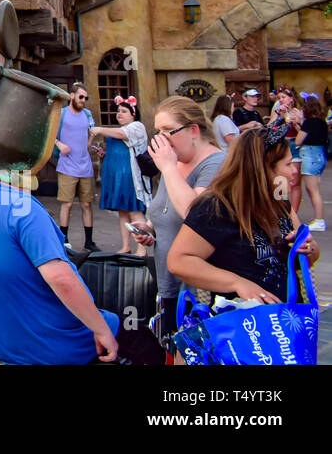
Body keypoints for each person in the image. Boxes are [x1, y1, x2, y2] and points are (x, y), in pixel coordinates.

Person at [0, 166, 119, 364]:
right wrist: (101, 329)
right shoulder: (22, 209)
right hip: (47, 346)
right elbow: (61, 279)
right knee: (131, 333)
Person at [168, 124, 320, 303]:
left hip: (287, 318)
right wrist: (237, 283)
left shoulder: (278, 199)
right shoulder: (216, 207)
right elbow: (179, 261)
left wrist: (308, 248)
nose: (294, 171)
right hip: (243, 322)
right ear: (263, 169)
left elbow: (310, 257)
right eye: (288, 164)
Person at [130, 96, 225, 349]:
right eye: (157, 131)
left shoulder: (216, 163)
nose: (161, 140)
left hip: (199, 289)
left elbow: (195, 215)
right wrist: (149, 228)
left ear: (194, 130)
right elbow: (165, 210)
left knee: (195, 352)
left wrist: (168, 167)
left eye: (167, 131)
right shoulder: (175, 161)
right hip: (168, 283)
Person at [90, 96, 151, 255]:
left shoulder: (137, 127)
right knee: (122, 212)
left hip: (130, 177)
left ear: (133, 114)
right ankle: (126, 246)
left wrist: (100, 129)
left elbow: (122, 134)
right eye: (118, 111)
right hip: (116, 177)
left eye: (124, 111)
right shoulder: (119, 129)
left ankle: (142, 248)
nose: (119, 114)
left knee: (134, 210)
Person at [56, 83, 99, 251]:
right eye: (81, 97)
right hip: (67, 166)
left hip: (85, 166)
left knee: (87, 204)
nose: (84, 100)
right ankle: (64, 239)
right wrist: (60, 145)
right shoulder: (62, 114)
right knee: (66, 204)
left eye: (86, 98)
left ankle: (89, 242)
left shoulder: (87, 114)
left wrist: (89, 145)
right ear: (72, 96)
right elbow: (50, 133)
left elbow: (92, 132)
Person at [296, 95, 326, 231]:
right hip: (320, 154)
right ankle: (318, 219)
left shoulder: (309, 123)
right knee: (312, 188)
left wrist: (297, 126)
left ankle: (319, 220)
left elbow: (298, 140)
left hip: (310, 155)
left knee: (313, 190)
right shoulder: (322, 122)